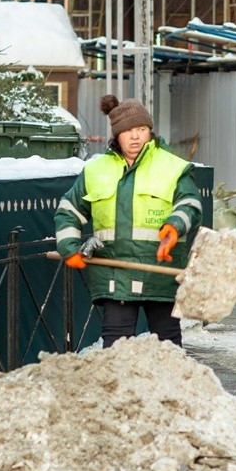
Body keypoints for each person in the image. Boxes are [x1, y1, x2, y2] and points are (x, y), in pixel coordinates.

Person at [55, 94, 203, 348]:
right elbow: (69, 209)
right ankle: (118, 389)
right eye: (128, 131)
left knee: (166, 347)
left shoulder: (172, 167)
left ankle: (169, 389)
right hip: (115, 275)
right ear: (117, 136)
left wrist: (173, 227)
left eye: (141, 129)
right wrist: (69, 248)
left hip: (160, 273)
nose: (135, 136)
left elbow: (190, 204)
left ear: (150, 132)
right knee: (116, 348)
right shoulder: (96, 170)